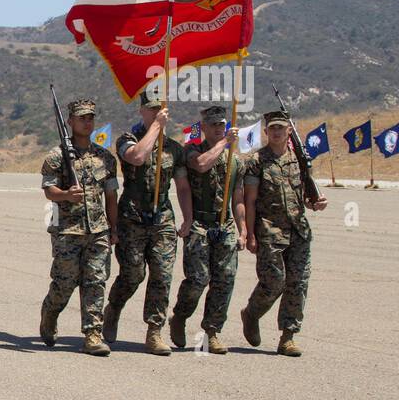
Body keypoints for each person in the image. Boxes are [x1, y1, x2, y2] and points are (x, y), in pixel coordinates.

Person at [104, 93, 192, 355]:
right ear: (142, 111)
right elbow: (137, 157)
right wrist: (156, 127)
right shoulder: (126, 140)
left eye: (160, 109)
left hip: (162, 217)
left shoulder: (174, 149)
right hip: (132, 216)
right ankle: (114, 308)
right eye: (151, 109)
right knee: (133, 273)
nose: (156, 113)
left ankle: (154, 331)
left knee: (162, 275)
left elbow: (183, 186)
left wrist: (187, 217)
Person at [240, 109, 328, 356]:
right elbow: (250, 200)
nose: (277, 132)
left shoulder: (299, 160)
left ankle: (288, 336)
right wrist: (250, 234)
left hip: (299, 230)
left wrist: (315, 203)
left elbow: (305, 197)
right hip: (270, 231)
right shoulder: (257, 162)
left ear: (289, 131)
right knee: (274, 281)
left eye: (282, 128)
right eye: (273, 128)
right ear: (266, 132)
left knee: (297, 283)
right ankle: (252, 313)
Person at [39, 99, 119, 356]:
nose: (87, 122)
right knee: (65, 283)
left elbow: (111, 196)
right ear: (70, 122)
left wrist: (113, 228)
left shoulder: (105, 158)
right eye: (82, 117)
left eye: (91, 117)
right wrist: (65, 195)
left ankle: (93, 334)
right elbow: (48, 191)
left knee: (96, 281)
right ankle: (50, 312)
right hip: (68, 231)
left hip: (98, 230)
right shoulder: (56, 156)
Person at [169, 106, 246, 353]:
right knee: (198, 279)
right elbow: (201, 165)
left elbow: (238, 197)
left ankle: (212, 331)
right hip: (199, 223)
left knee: (225, 280)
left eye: (221, 125)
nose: (217, 128)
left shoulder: (234, 158)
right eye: (213, 125)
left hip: (224, 224)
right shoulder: (193, 150)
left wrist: (243, 229)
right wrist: (224, 142)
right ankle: (180, 316)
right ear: (203, 128)